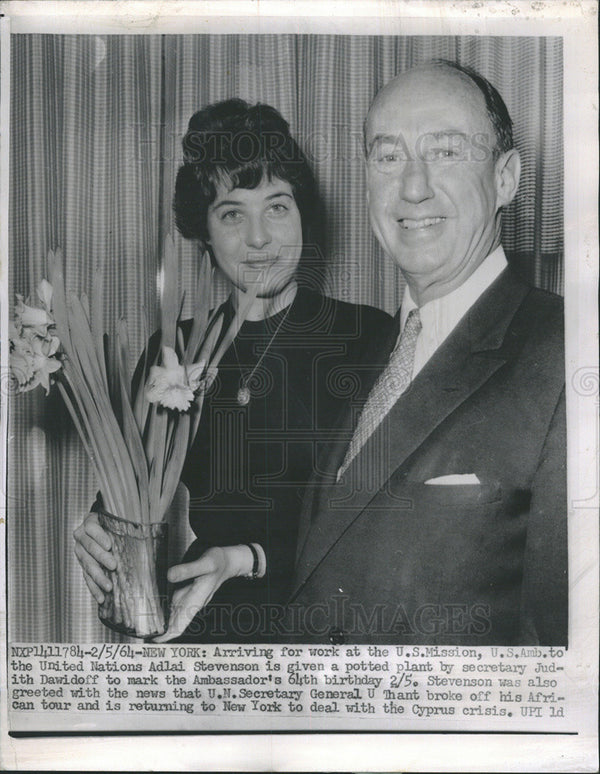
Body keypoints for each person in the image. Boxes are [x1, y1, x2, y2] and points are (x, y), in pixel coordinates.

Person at [73, 98, 391, 642]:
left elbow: (381, 518)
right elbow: (129, 497)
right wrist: (98, 530)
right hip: (204, 619)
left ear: (302, 213)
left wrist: (248, 557)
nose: (260, 238)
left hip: (331, 625)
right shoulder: (170, 353)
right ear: (204, 230)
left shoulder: (370, 338)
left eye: (277, 206)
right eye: (231, 214)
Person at [285, 61, 567, 646]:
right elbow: (334, 552)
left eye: (445, 152)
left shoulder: (568, 356)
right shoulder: (364, 352)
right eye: (388, 157)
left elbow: (559, 659)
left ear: (507, 178)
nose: (413, 187)